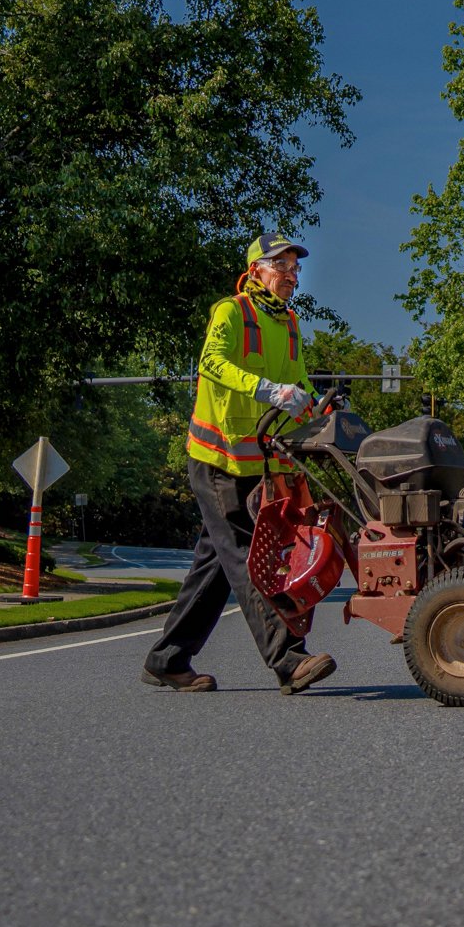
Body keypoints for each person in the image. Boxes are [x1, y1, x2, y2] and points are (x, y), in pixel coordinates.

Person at [141, 233, 338, 695]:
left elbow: (299, 381)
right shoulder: (231, 311)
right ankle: (288, 659)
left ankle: (166, 659)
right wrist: (267, 390)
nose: (292, 275)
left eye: (295, 267)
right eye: (282, 265)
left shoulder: (288, 323)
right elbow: (211, 363)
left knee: (214, 566)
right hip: (215, 459)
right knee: (252, 559)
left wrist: (320, 412)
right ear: (256, 272)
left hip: (254, 463)